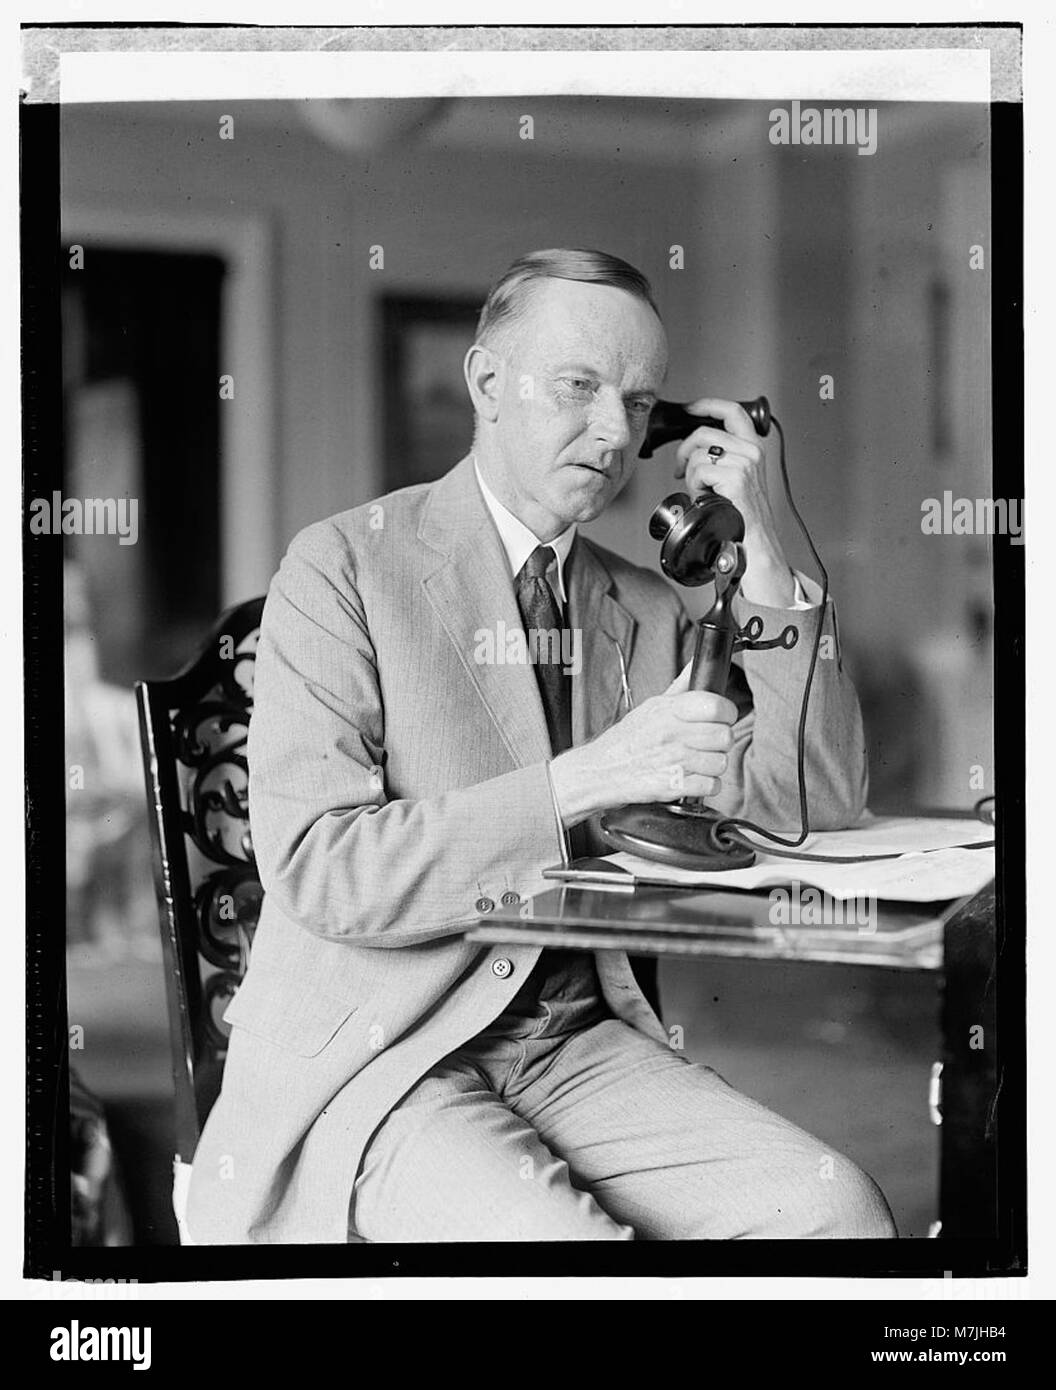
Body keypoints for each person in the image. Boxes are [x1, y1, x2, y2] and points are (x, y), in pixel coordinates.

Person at [186, 248, 895, 1242]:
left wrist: (765, 548)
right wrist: (582, 781)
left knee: (835, 1207)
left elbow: (801, 806)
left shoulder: (646, 603)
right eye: (579, 386)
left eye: (641, 403)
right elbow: (323, 869)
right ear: (487, 382)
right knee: (573, 1257)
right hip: (388, 1059)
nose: (614, 430)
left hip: (571, 1044)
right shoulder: (343, 565)